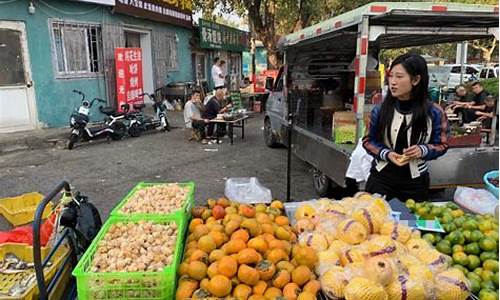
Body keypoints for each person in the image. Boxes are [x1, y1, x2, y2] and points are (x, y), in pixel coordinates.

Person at [362, 53, 449, 202]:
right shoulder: (380, 110)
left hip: (415, 184)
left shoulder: (434, 112)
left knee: (409, 223)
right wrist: (386, 154)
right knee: (375, 221)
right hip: (381, 180)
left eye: (399, 77)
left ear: (415, 80)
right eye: (391, 76)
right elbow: (368, 141)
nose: (393, 82)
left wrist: (423, 150)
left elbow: (442, 144)